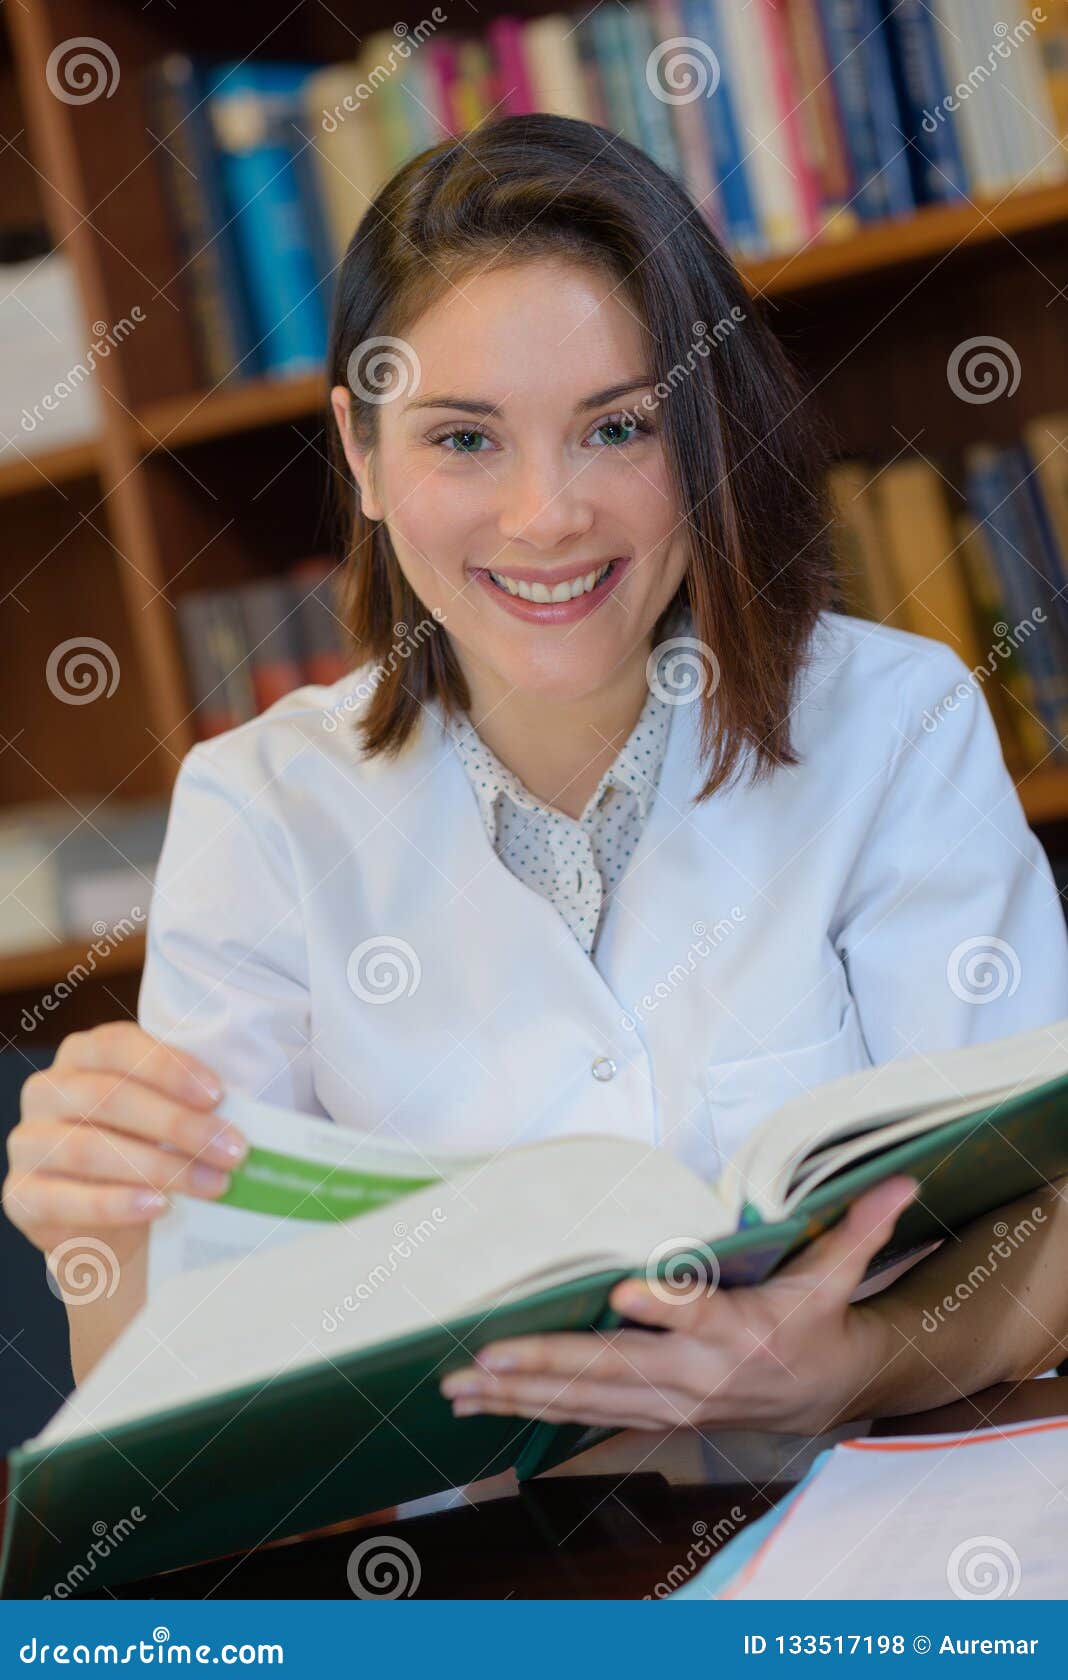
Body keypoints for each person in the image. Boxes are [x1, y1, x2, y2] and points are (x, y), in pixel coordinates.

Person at [6, 115, 1068, 1423]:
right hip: (468, 1573)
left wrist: (854, 1361)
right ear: (362, 454)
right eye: (464, 439)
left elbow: (1044, 1224)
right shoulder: (259, 813)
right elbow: (172, 1396)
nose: (546, 515)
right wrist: (100, 1231)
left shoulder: (893, 722)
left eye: (618, 427)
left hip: (870, 1516)